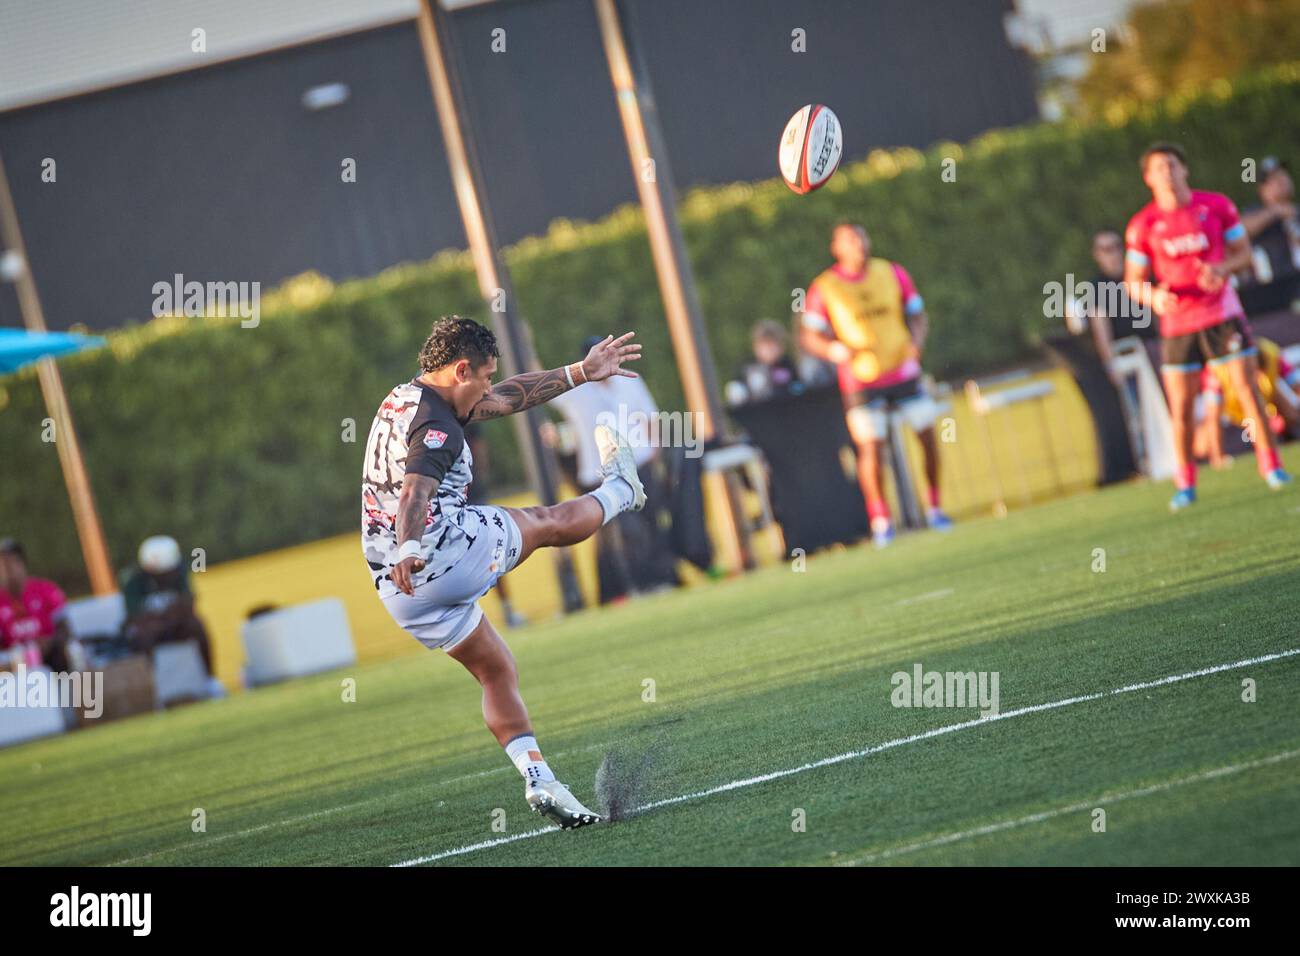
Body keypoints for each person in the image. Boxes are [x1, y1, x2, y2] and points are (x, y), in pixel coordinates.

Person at [361, 317, 644, 829]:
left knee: (495, 669)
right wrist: (410, 545)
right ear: (461, 368)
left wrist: (582, 370)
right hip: (436, 553)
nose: (489, 387)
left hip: (396, 588)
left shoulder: (408, 398)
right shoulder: (439, 426)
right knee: (546, 520)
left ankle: (540, 779)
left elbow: (511, 398)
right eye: (485, 376)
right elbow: (414, 494)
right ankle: (624, 488)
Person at [1123, 142, 1291, 511]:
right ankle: (1185, 483)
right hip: (1178, 326)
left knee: (1248, 392)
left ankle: (1272, 468)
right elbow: (1133, 282)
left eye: (1172, 164)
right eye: (1158, 168)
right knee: (1181, 406)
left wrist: (1222, 269)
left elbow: (1244, 254)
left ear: (1184, 170)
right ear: (1148, 178)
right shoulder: (1142, 226)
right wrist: (1153, 298)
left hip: (1221, 315)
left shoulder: (1215, 206)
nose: (1166, 172)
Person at [798, 222, 950, 546]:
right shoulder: (825, 287)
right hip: (861, 379)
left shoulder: (891, 272)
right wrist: (834, 350)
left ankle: (935, 507)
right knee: (871, 448)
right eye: (850, 241)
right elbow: (809, 335)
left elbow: (917, 314)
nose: (859, 246)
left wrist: (916, 343)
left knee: (927, 435)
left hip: (902, 370)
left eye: (861, 238)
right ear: (836, 248)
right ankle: (881, 519)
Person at [549, 335, 679, 603]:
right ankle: (633, 585)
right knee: (625, 531)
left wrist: (656, 450)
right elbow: (547, 388)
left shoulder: (629, 379)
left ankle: (661, 578)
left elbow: (649, 415)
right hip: (606, 473)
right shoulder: (579, 392)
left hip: (640, 461)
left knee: (652, 521)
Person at [120, 535, 223, 696]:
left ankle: (211, 680)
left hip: (173, 626)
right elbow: (135, 617)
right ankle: (150, 691)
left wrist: (165, 618)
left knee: (197, 625)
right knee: (142, 636)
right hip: (151, 630)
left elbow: (189, 604)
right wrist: (166, 617)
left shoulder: (180, 571)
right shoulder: (133, 580)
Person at [462, 422, 527, 628]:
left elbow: (479, 448)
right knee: (490, 552)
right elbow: (479, 449)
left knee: (491, 554)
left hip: (468, 496)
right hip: (463, 498)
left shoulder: (455, 415)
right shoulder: (459, 412)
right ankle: (504, 610)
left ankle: (506, 609)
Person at [0, 538, 70, 669]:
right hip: (15, 668)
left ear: (22, 564)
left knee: (65, 655)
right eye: (2, 565)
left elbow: (65, 630)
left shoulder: (46, 590)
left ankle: (70, 689)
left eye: (11, 563)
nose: (7, 570)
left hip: (51, 659)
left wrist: (49, 642)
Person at [1240, 156, 1300, 309]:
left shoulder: (1295, 212)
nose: (1282, 181)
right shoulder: (1256, 214)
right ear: (1262, 189)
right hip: (1272, 293)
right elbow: (1240, 230)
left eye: (1283, 175)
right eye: (1273, 179)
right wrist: (1275, 211)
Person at [730, 320, 800, 403]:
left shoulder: (788, 365)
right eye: (765, 345)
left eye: (773, 345)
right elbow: (737, 391)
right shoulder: (747, 367)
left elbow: (798, 386)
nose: (769, 350)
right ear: (755, 347)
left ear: (782, 347)